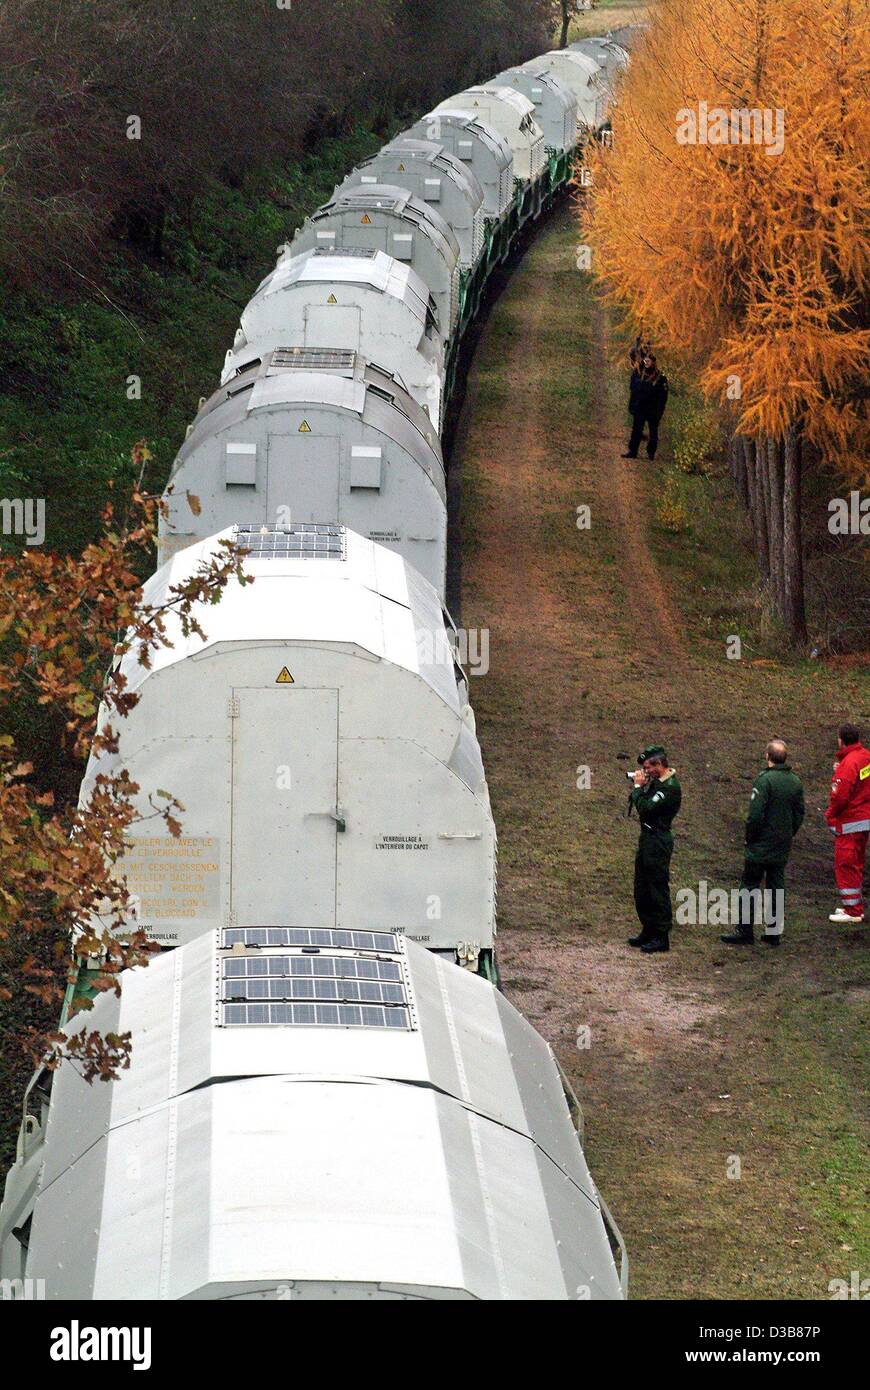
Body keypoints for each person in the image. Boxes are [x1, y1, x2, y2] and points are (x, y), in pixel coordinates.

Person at [721, 739, 805, 947]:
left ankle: (745, 930)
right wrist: (788, 833)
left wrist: (751, 837)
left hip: (761, 844)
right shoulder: (795, 781)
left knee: (749, 885)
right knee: (776, 885)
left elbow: (755, 815)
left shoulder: (764, 781)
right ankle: (773, 931)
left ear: (767, 756)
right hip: (781, 844)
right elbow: (799, 813)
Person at [627, 745, 682, 954]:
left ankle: (661, 936)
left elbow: (646, 808)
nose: (646, 771)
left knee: (657, 888)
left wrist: (638, 788)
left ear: (659, 764)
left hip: (658, 840)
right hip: (648, 838)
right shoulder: (659, 783)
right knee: (642, 887)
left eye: (649, 767)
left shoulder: (669, 787)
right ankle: (648, 929)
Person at [825, 722, 870, 924]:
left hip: (850, 822)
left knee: (845, 864)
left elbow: (840, 797)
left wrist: (831, 814)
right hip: (863, 820)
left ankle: (852, 911)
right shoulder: (864, 757)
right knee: (856, 864)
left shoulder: (849, 763)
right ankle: (854, 907)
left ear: (840, 741)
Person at [622, 352, 669, 460]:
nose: (646, 362)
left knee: (653, 432)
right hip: (640, 406)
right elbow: (632, 387)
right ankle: (633, 451)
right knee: (636, 430)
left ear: (653, 362)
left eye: (649, 360)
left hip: (653, 408)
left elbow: (663, 396)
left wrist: (660, 411)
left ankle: (651, 453)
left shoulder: (660, 377)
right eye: (645, 360)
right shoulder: (638, 372)